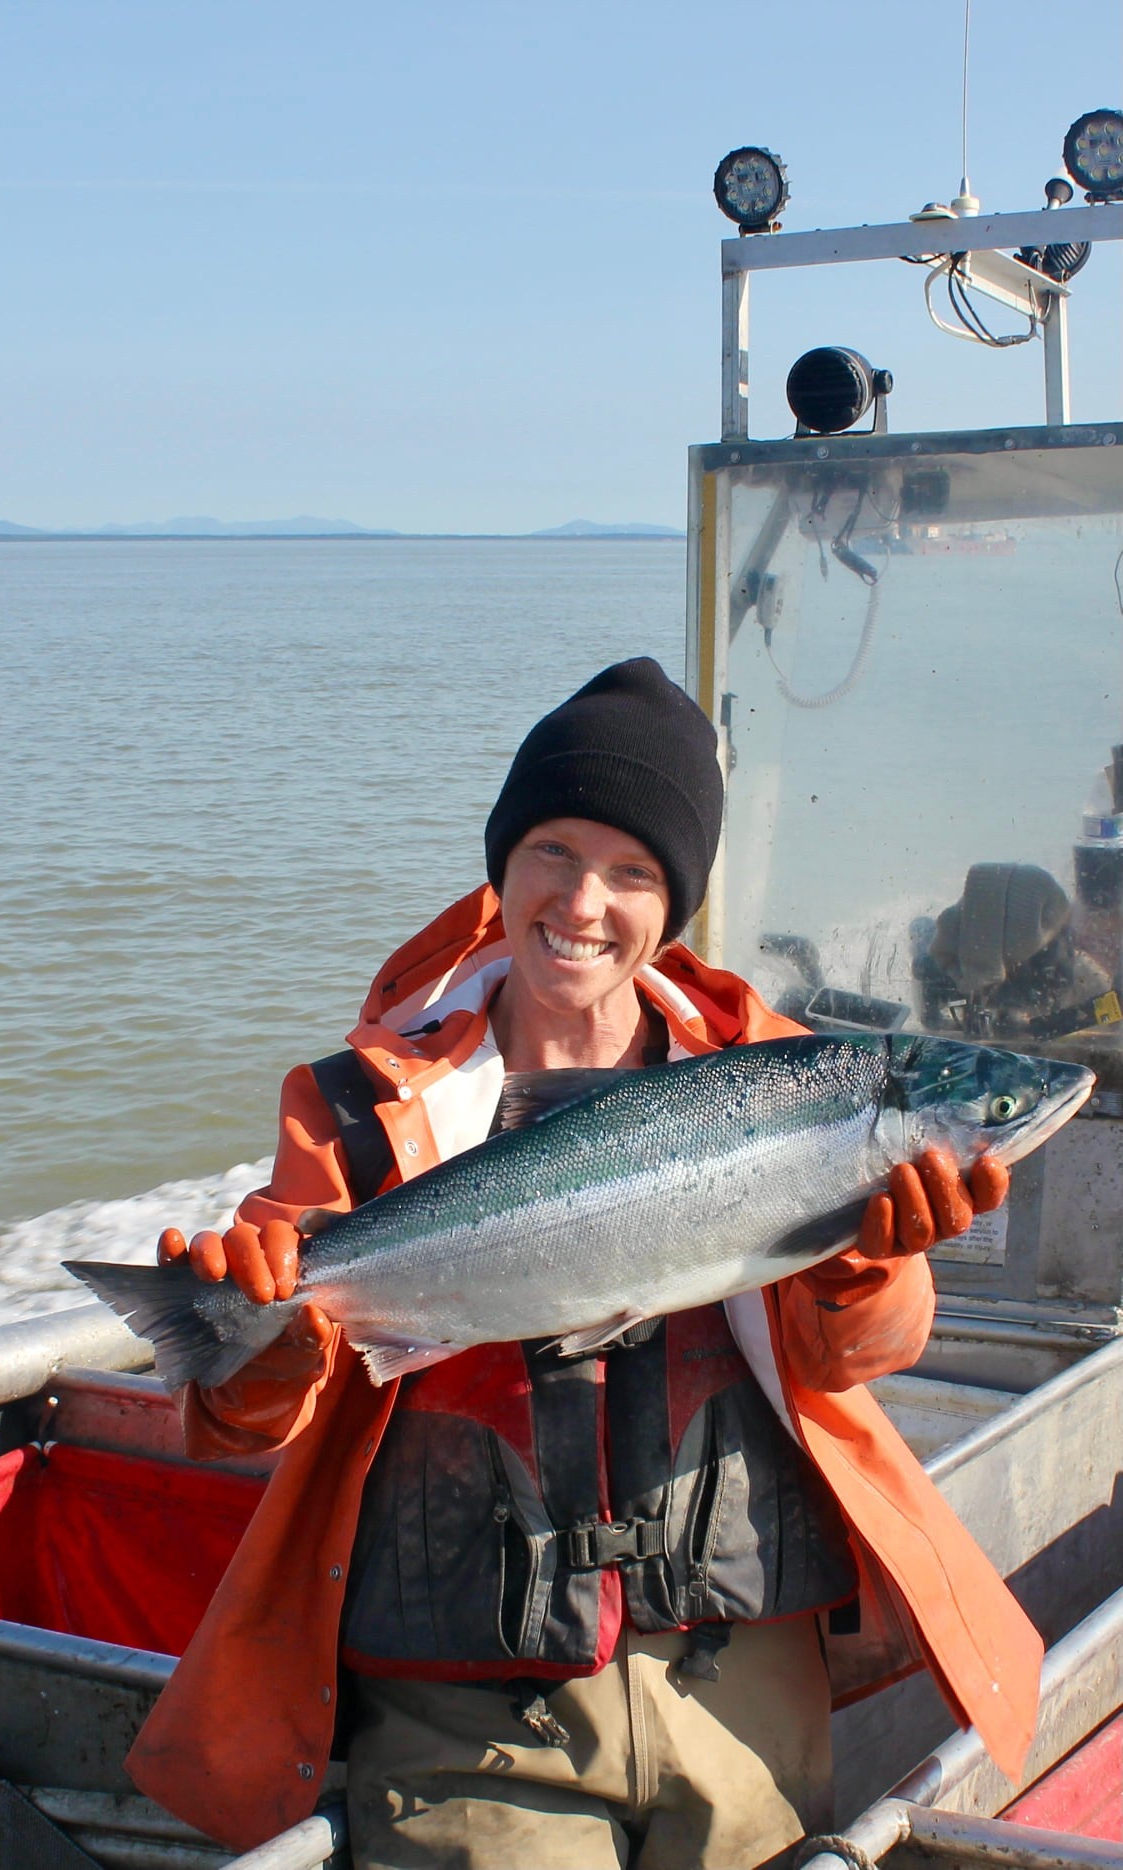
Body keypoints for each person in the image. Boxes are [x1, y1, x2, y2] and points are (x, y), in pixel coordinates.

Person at [127, 659, 1040, 1869]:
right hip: (471, 1712)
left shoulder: (777, 1071)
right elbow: (248, 1420)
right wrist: (261, 1326)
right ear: (499, 866)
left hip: (742, 1686)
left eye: (633, 871)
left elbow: (866, 1357)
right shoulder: (355, 1105)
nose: (583, 900)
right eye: (552, 850)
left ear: (672, 905)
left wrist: (867, 1259)